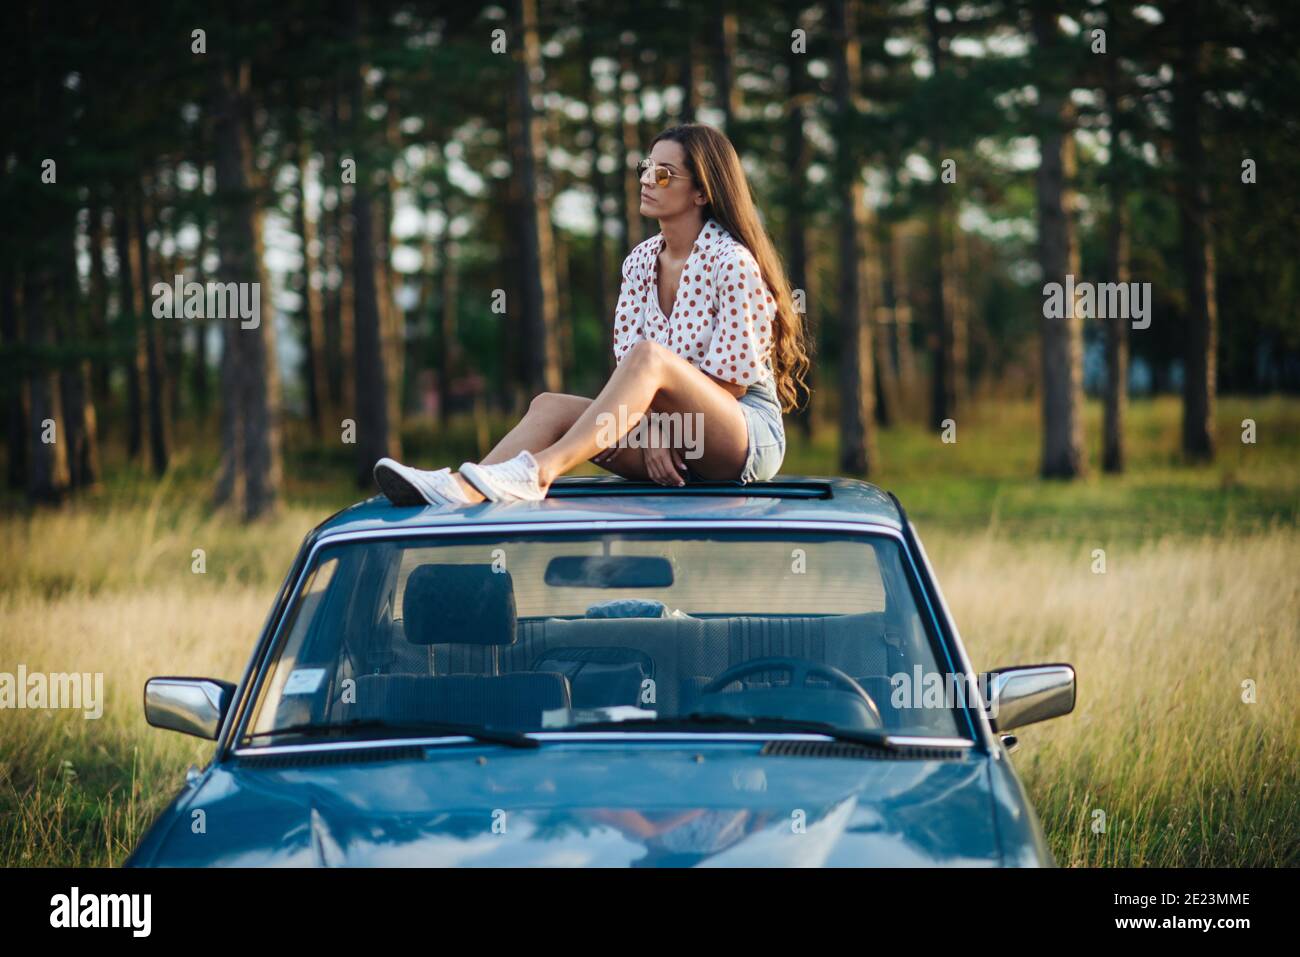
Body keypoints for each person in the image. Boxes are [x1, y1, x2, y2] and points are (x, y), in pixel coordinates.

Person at [374, 123, 809, 505]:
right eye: (645, 169)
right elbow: (631, 380)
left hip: (743, 436)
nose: (647, 181)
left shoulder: (731, 261)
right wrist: (656, 430)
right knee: (548, 407)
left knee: (649, 356)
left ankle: (540, 471)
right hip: (674, 434)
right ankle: (458, 490)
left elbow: (729, 384)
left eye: (663, 174)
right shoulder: (639, 262)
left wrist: (660, 426)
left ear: (701, 191)